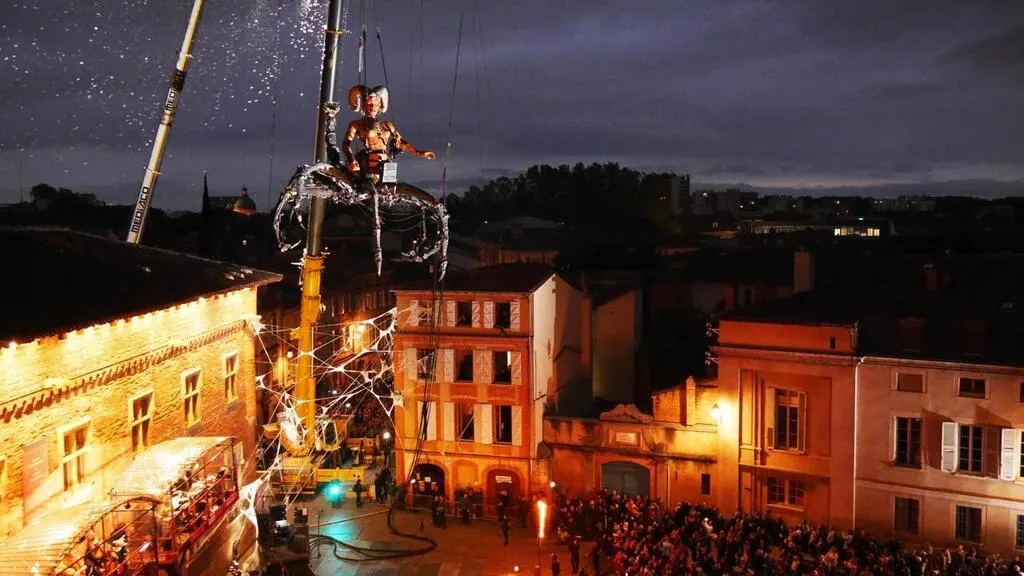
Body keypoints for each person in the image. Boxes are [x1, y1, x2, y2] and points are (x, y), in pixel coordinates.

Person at [341, 85, 435, 178]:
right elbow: (346, 144)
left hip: (386, 163)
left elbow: (401, 143)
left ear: (380, 106)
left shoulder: (387, 125)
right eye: (369, 104)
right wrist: (351, 159)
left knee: (390, 190)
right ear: (364, 106)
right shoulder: (357, 124)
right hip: (367, 163)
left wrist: (419, 153)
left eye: (376, 105)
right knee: (367, 189)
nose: (373, 108)